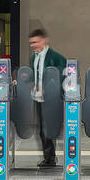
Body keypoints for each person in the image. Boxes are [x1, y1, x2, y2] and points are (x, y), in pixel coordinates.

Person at [28, 28, 67, 169]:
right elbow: (34, 75)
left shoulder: (56, 57)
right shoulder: (33, 57)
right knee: (41, 129)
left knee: (49, 128)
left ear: (44, 40)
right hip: (38, 98)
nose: (33, 45)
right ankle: (49, 157)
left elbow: (63, 74)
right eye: (31, 43)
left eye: (35, 42)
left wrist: (50, 87)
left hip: (52, 99)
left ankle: (50, 158)